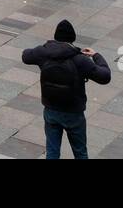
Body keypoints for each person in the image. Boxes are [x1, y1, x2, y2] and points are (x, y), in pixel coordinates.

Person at [22, 19, 112, 160]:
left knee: (52, 151)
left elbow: (25, 56)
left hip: (51, 110)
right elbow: (105, 76)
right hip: (73, 113)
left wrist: (44, 48)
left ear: (56, 37)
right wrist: (96, 55)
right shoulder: (79, 60)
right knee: (80, 152)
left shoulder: (43, 54)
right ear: (72, 39)